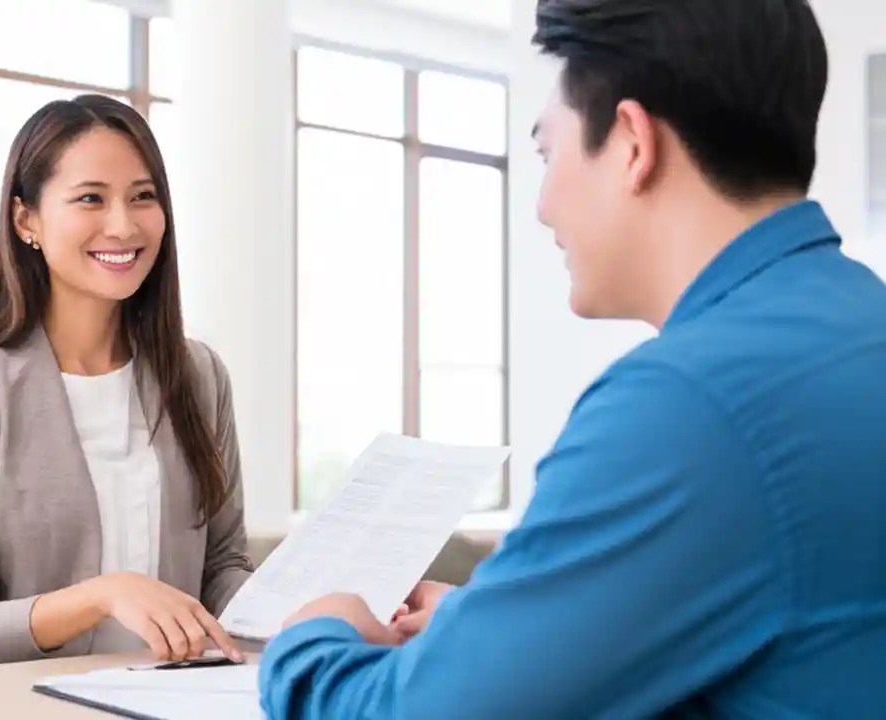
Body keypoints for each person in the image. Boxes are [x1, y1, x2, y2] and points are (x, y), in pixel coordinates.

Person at [260, 0, 886, 716]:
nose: (543, 205)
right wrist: (499, 630)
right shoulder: (860, 331)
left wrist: (314, 634)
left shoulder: (688, 403)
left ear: (630, 143)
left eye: (546, 153)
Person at [0, 94, 251, 670]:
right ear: (27, 220)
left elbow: (223, 570)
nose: (123, 225)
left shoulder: (198, 375)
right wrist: (103, 594)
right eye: (91, 198)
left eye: (143, 197)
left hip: (175, 698)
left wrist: (303, 610)